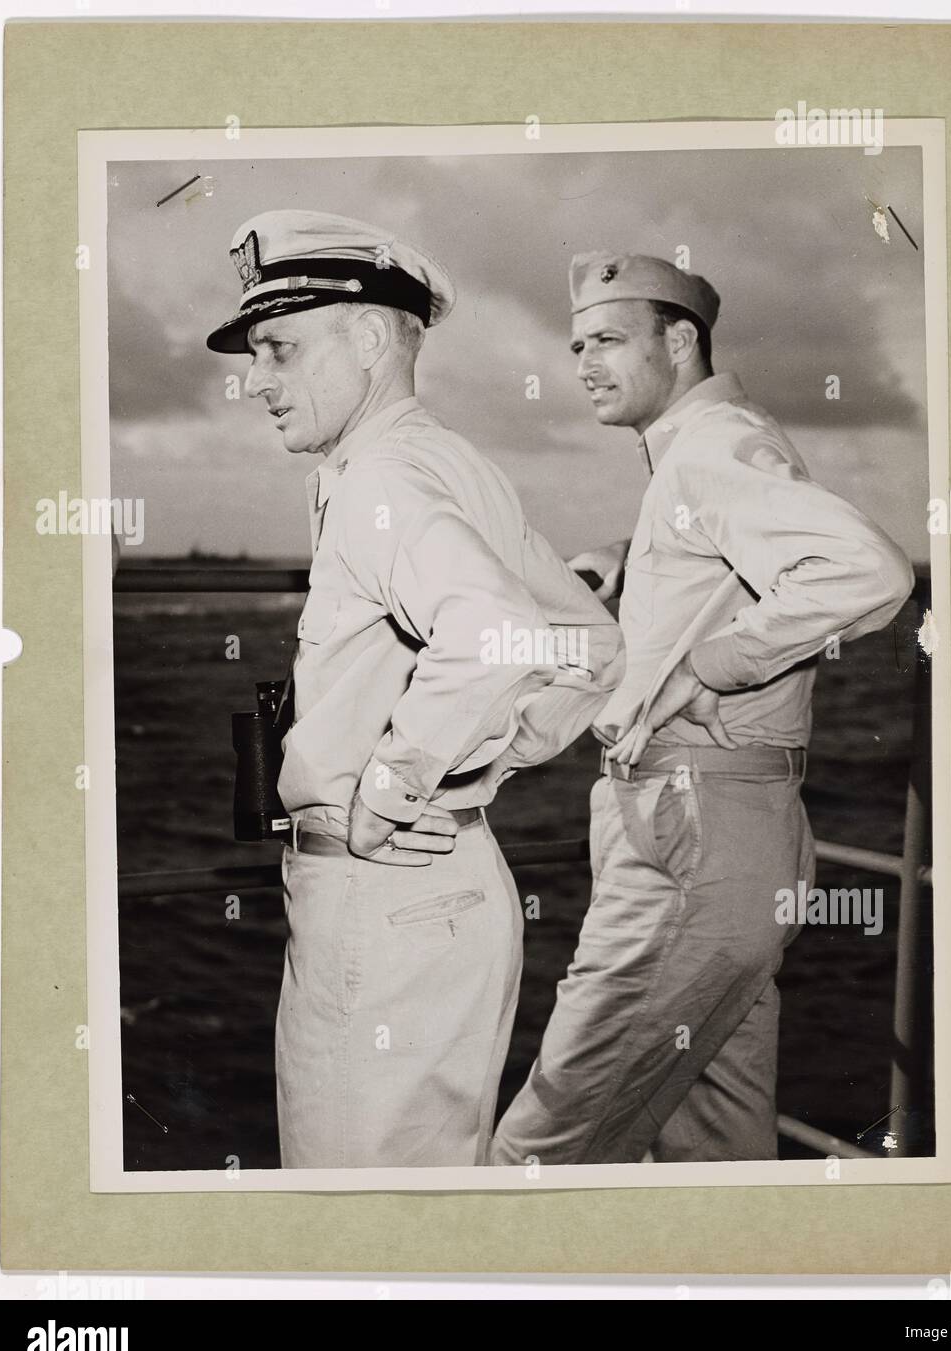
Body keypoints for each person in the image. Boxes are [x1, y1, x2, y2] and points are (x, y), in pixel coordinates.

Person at [206, 211, 622, 1168]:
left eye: (279, 347)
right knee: (429, 1208)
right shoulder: (440, 458)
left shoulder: (379, 480)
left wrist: (387, 798)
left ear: (365, 335)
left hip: (379, 903)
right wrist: (468, 771)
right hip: (443, 895)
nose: (256, 381)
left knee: (357, 1231)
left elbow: (483, 630)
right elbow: (591, 645)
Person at [491, 251, 915, 1166]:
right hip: (723, 833)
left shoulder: (711, 448)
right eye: (575, 347)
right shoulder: (700, 449)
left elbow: (868, 571)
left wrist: (707, 666)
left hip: (691, 838)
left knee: (541, 1152)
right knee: (712, 1156)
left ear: (679, 341)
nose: (584, 365)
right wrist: (624, 556)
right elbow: (727, 551)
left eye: (607, 339)